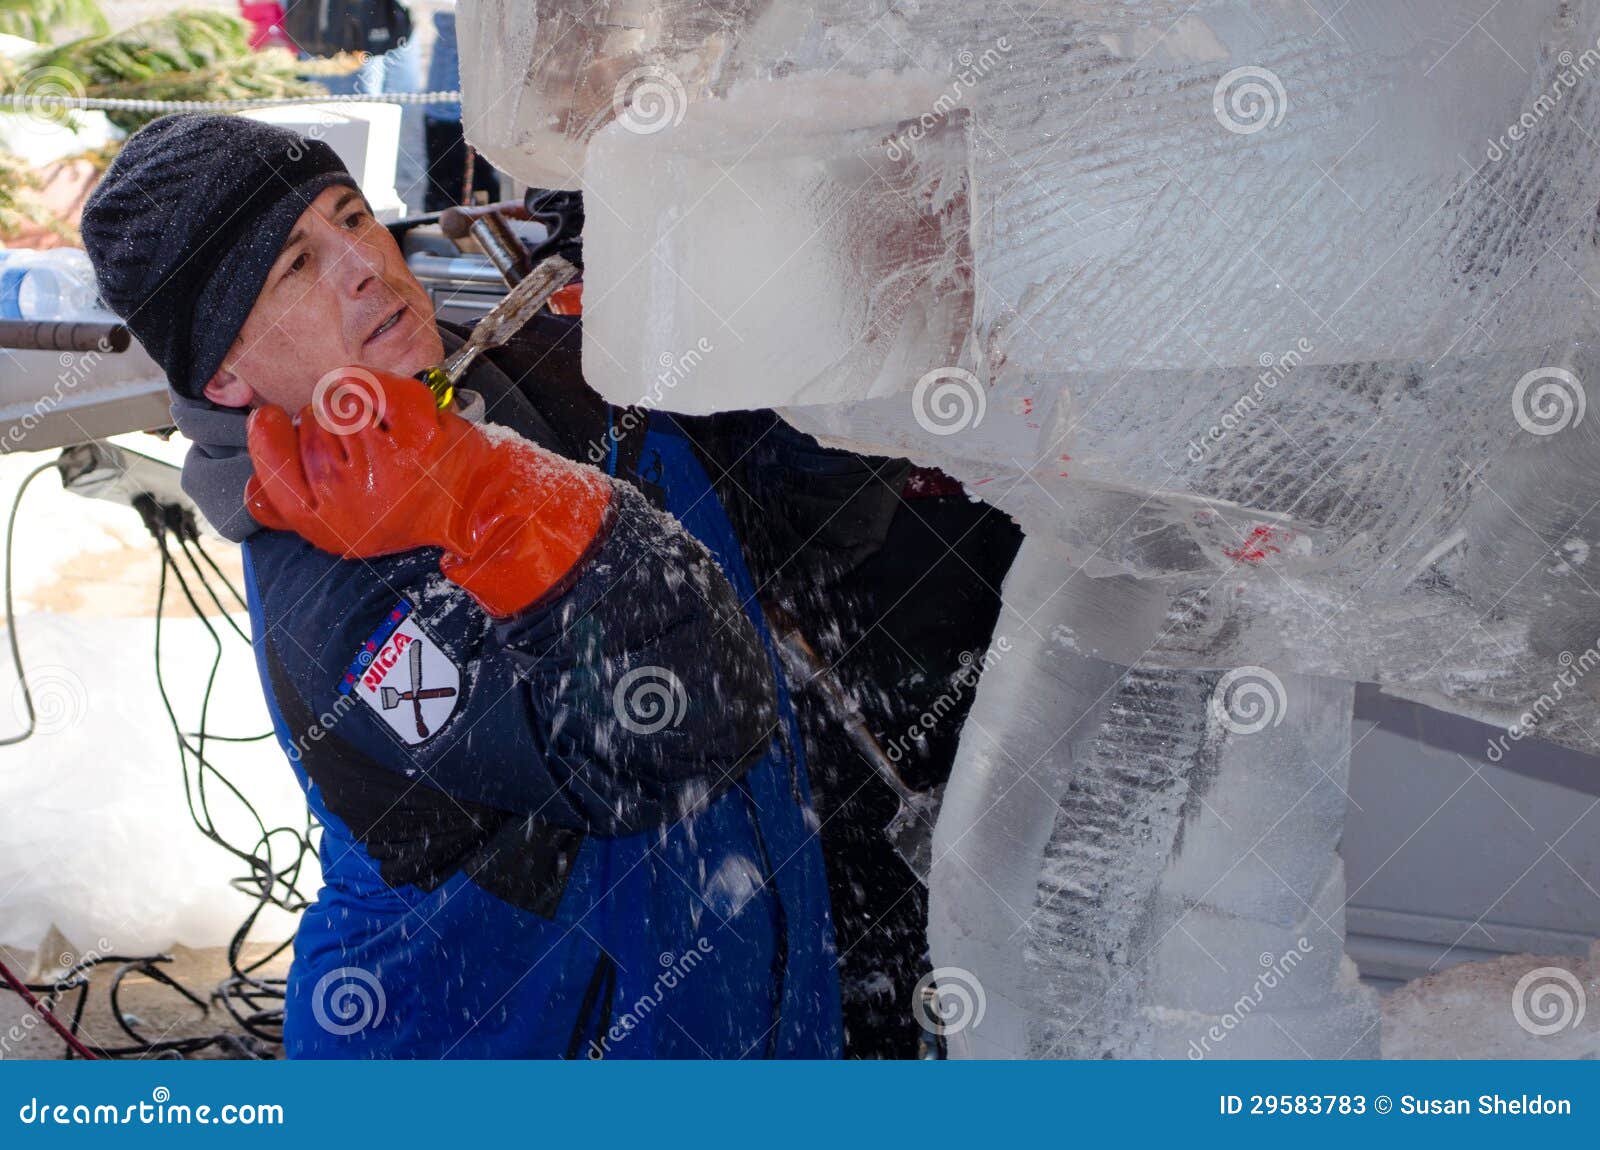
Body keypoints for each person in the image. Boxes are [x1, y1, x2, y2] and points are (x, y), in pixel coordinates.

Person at [79, 113, 896, 1058]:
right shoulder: (338, 611)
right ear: (224, 375)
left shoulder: (530, 367)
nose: (362, 265)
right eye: (293, 267)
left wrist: (826, 357)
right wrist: (494, 501)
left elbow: (799, 540)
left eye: (352, 217)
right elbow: (683, 729)